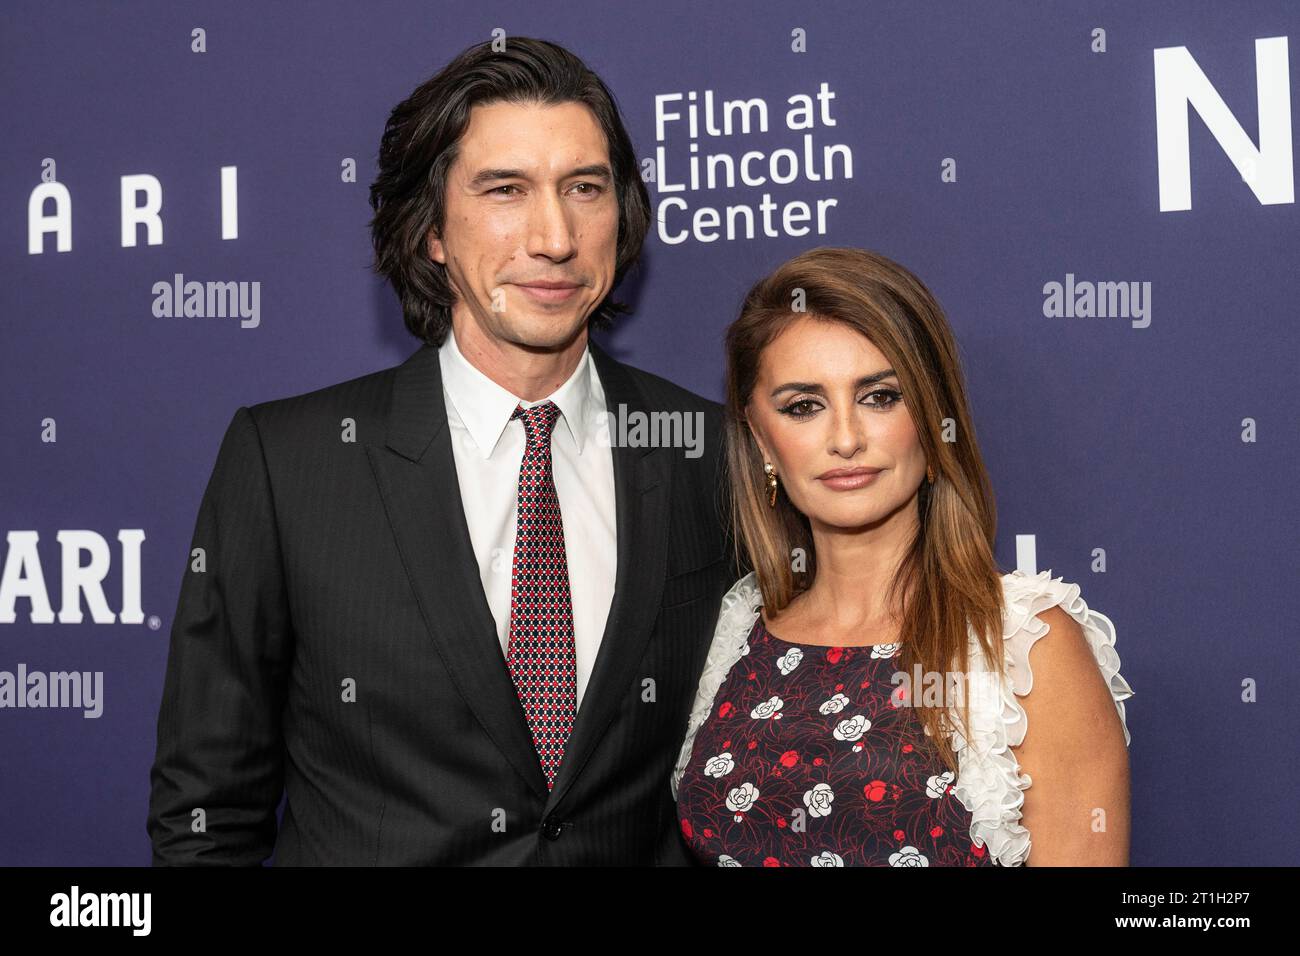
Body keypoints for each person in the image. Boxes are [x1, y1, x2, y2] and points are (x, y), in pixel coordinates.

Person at [147, 37, 739, 865]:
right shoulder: (287, 464)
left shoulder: (714, 456)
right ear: (430, 230)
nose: (555, 236)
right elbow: (206, 809)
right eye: (506, 190)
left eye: (585, 188)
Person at [672, 247, 1134, 867]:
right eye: (803, 406)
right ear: (760, 438)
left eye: (880, 397)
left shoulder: (1024, 644)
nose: (845, 439)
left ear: (933, 416)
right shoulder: (736, 629)